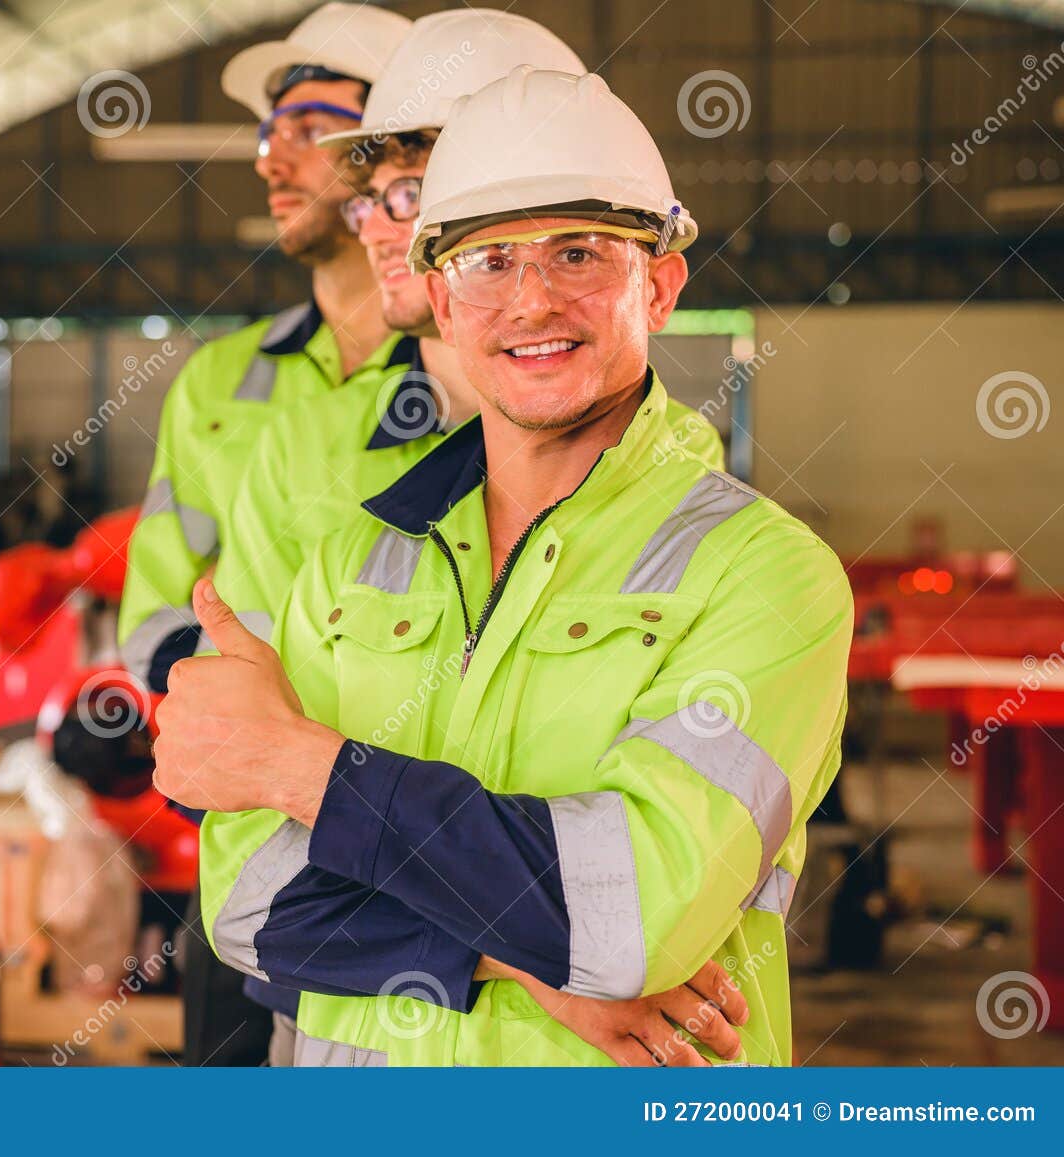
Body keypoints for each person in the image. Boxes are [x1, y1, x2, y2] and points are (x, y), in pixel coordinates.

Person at [154, 68, 853, 1067]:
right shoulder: (351, 563)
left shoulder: (765, 574)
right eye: (485, 261)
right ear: (438, 299)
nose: (531, 299)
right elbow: (247, 907)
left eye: (577, 252)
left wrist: (300, 765)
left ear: (656, 285)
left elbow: (627, 919)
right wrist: (514, 960)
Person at [214, 8, 723, 650]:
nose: (374, 230)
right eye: (373, 197)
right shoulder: (299, 446)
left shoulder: (677, 453)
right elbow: (249, 706)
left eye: (412, 192)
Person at [115, 2, 411, 1067]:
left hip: (410, 843)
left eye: (312, 122)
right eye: (265, 129)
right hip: (246, 858)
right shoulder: (221, 381)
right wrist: (253, 723)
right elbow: (155, 607)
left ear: (404, 153)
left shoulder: (482, 382)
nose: (270, 155)